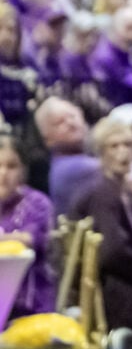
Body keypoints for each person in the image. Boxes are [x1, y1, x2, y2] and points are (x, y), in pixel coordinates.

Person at [72, 116, 132, 331]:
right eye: (114, 146)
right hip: (115, 298)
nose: (123, 152)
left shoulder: (117, 190)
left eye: (128, 144)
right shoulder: (103, 193)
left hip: (125, 290)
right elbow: (112, 252)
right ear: (101, 152)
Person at [0, 132, 55, 319]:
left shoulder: (36, 203)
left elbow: (27, 240)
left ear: (23, 171)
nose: (3, 173)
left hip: (28, 306)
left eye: (11, 166)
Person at [36, 95, 99, 214]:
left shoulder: (88, 157)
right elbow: (116, 170)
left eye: (72, 116)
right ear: (47, 139)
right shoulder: (69, 169)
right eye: (60, 122)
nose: (70, 123)